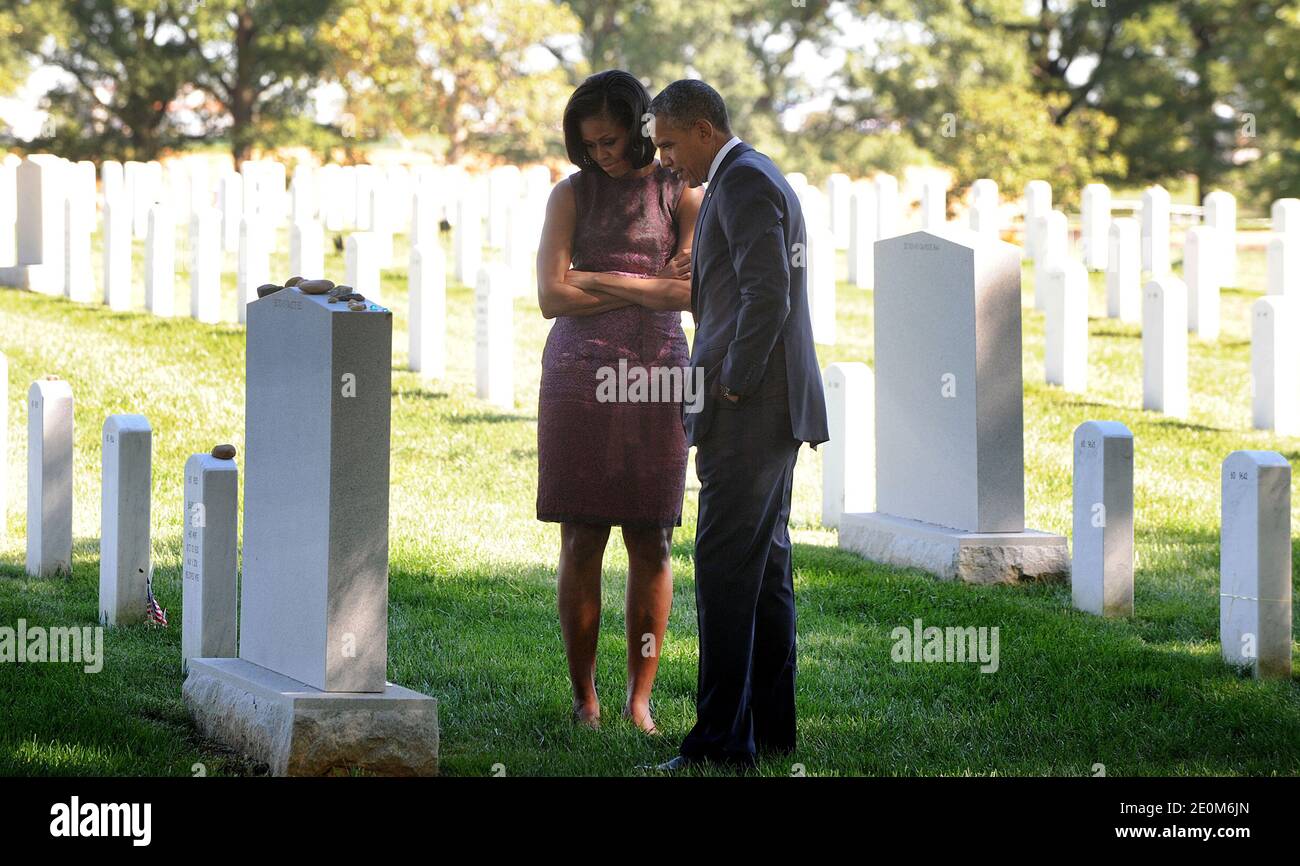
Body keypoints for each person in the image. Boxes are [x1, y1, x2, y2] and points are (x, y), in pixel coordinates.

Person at [646, 79, 829, 769]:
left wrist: (730, 385)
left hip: (750, 411)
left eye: (668, 143)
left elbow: (767, 294)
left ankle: (720, 744)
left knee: (725, 573)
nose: (664, 159)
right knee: (765, 572)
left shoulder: (746, 181)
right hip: (767, 409)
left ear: (701, 128)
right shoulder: (744, 177)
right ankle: (770, 731)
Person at [535, 69, 704, 734]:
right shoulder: (569, 196)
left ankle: (640, 698)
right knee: (580, 536)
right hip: (578, 372)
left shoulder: (683, 190)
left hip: (661, 371)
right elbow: (551, 297)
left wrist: (595, 277)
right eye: (589, 145)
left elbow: (689, 293)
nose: (600, 154)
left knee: (653, 538)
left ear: (638, 126)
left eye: (609, 141)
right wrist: (643, 284)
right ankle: (586, 698)